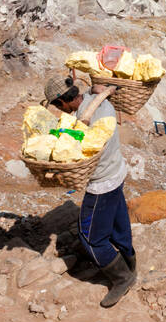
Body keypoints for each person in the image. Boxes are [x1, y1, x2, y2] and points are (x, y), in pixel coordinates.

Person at [44, 73, 136, 308]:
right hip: (117, 172)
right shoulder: (101, 103)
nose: (59, 110)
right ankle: (128, 260)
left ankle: (122, 278)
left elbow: (79, 150)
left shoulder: (86, 123)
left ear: (63, 101)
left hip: (102, 182)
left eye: (57, 106)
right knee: (118, 223)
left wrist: (59, 140)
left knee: (91, 237)